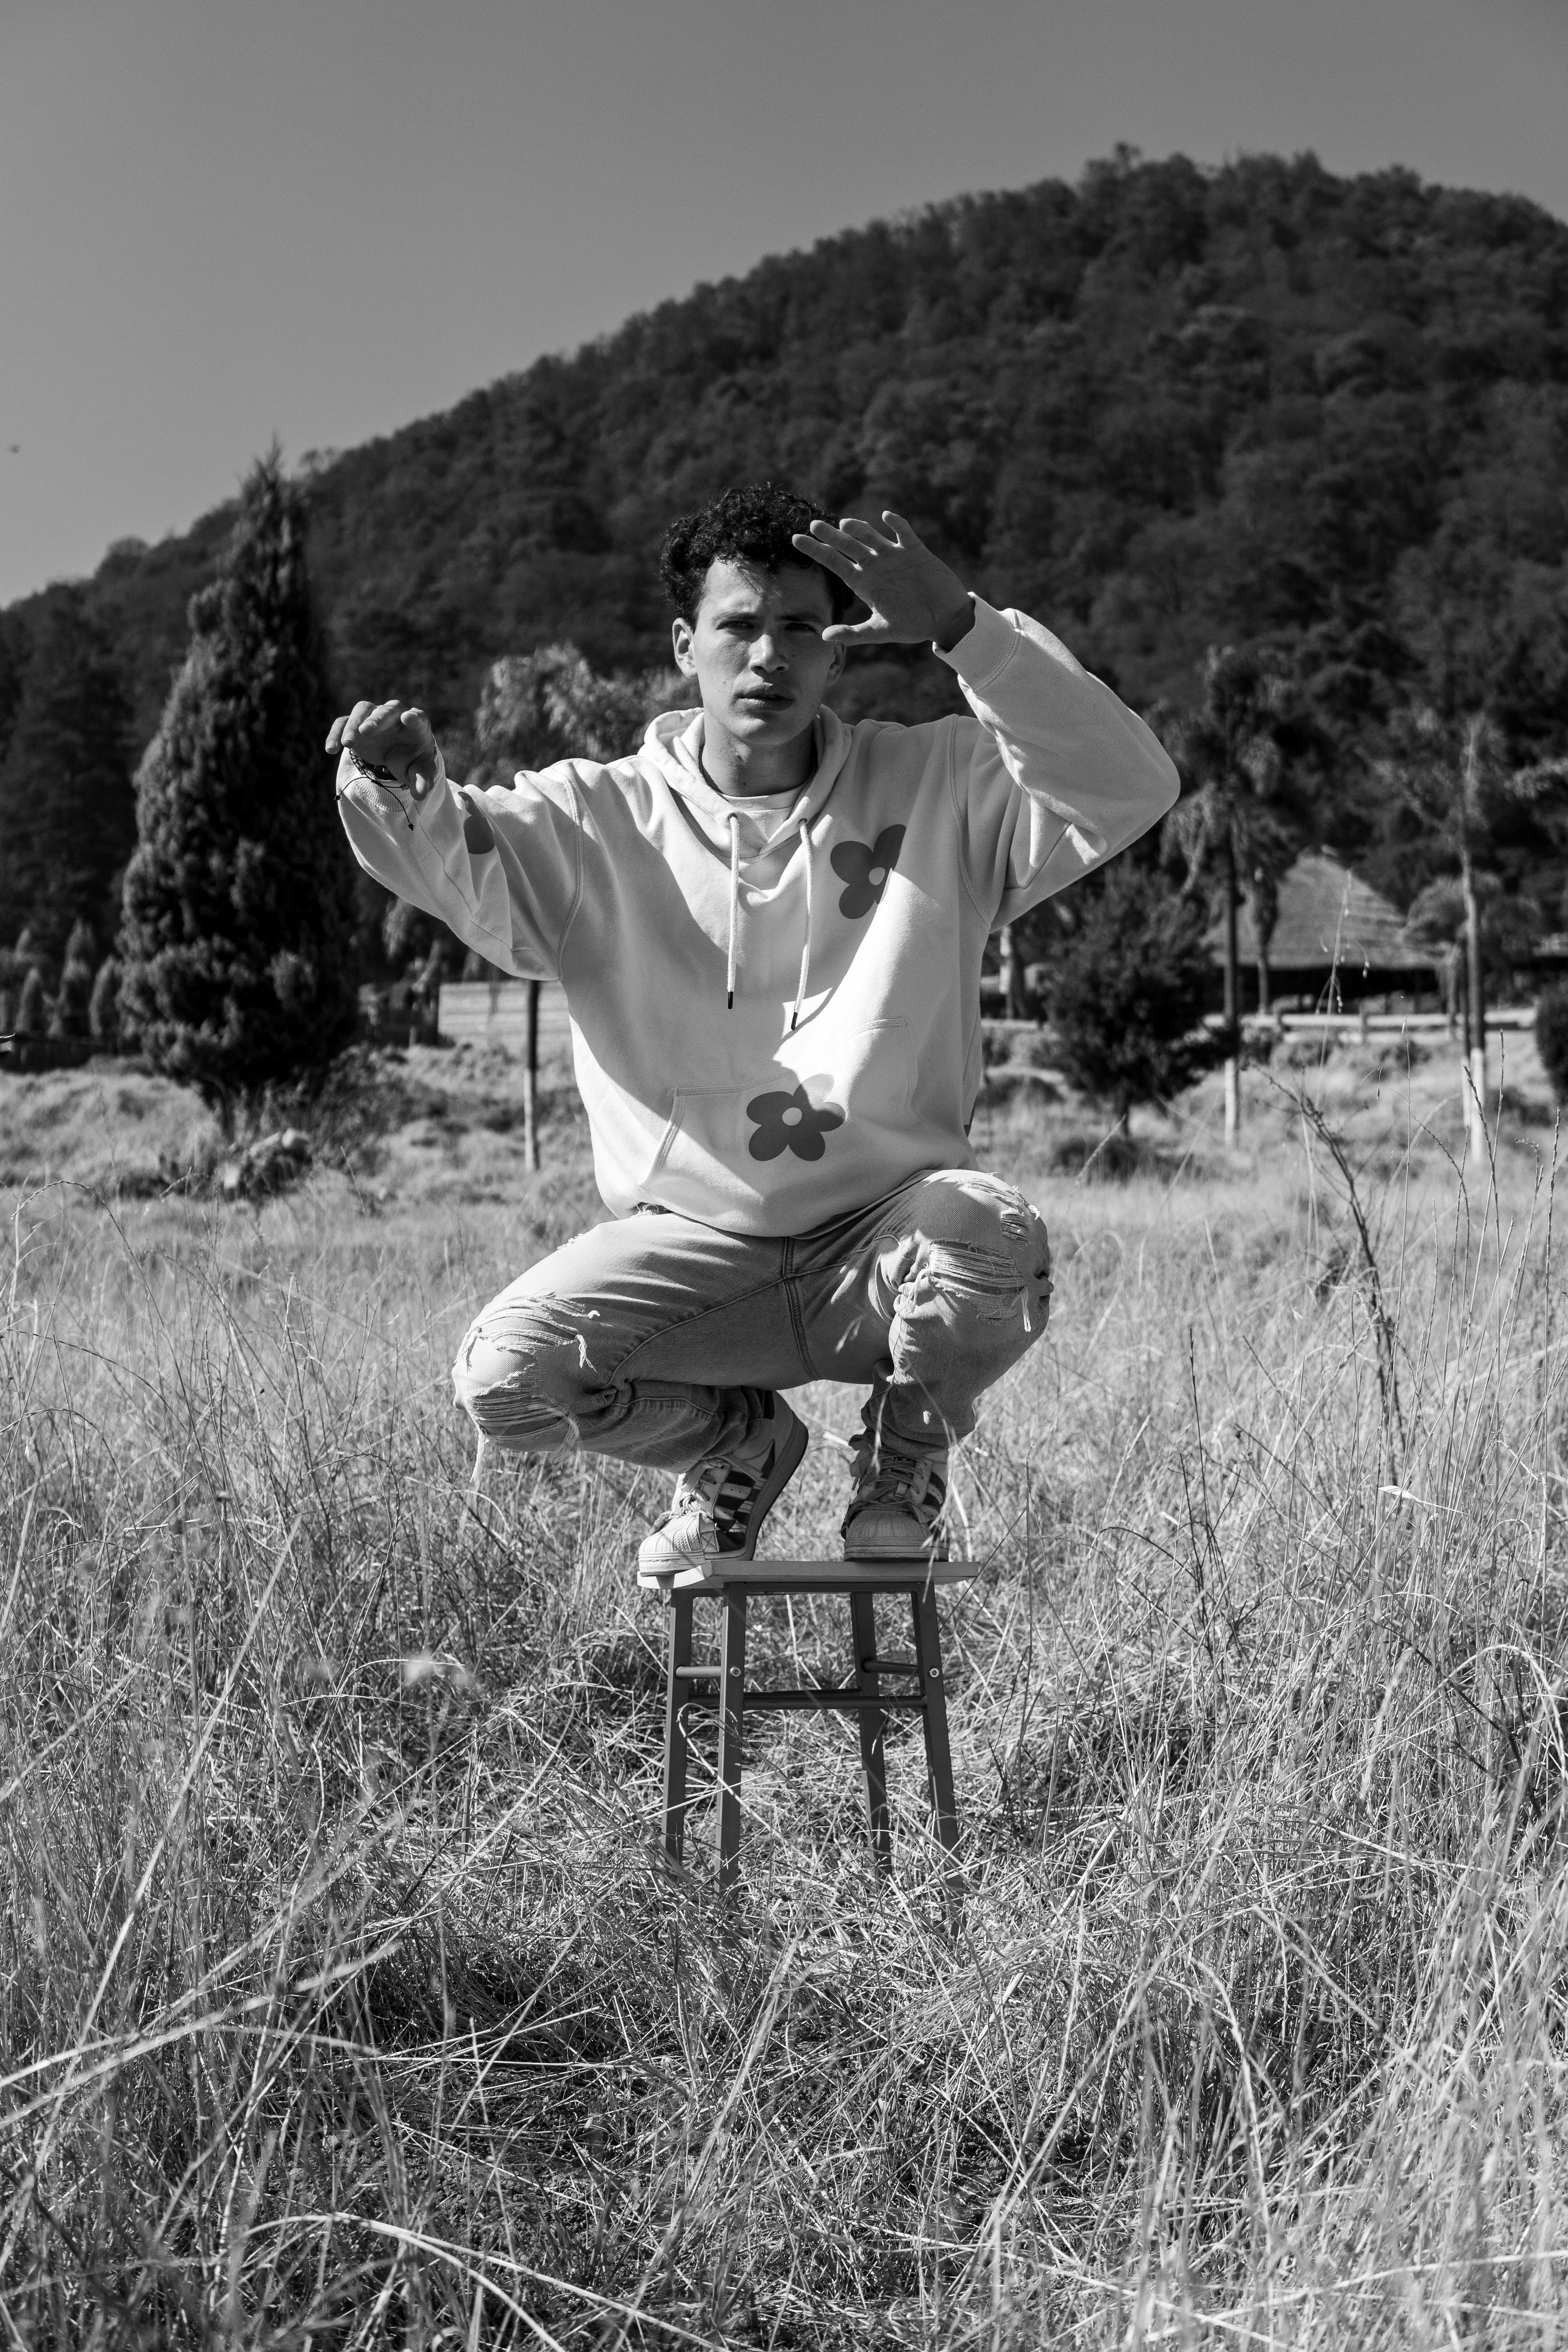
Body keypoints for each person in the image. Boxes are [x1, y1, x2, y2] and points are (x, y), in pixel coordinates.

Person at [329, 485, 1178, 1583]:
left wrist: (963, 624)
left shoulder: (940, 782)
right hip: (695, 1254)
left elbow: (1128, 786)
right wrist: (395, 781)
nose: (768, 657)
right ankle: (737, 1446)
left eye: (799, 628)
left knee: (994, 1240)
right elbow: (460, 858)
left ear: (838, 652)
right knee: (507, 1377)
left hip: (884, 1242)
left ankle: (906, 1448)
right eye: (739, 626)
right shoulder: (600, 817)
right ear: (686, 645)